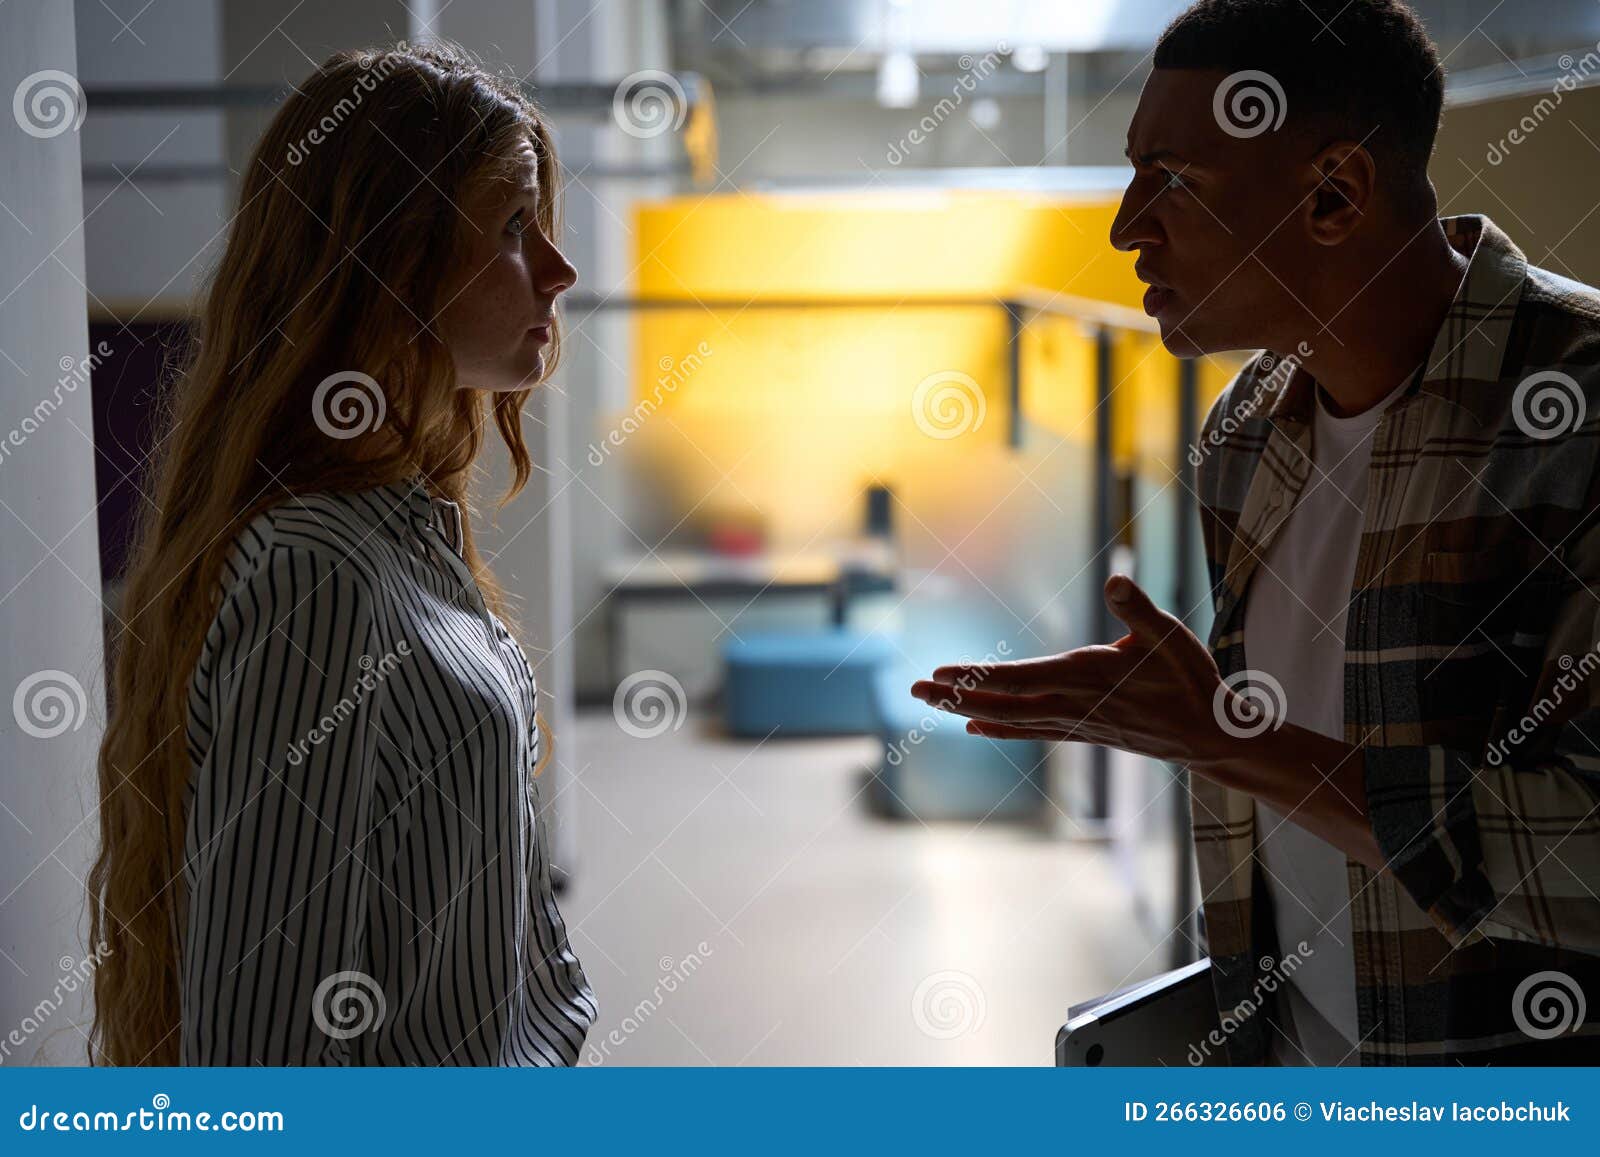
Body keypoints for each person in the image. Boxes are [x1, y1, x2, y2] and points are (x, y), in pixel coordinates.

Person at [914, 0, 1600, 1064]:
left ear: (1334, 195)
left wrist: (1226, 741)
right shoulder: (1244, 432)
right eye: (1133, 173)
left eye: (1172, 179)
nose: (1126, 225)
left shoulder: (1577, 422)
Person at [87, 41, 596, 1065]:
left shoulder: (407, 529)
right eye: (511, 227)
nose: (558, 270)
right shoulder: (315, 576)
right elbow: (262, 1055)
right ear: (387, 265)